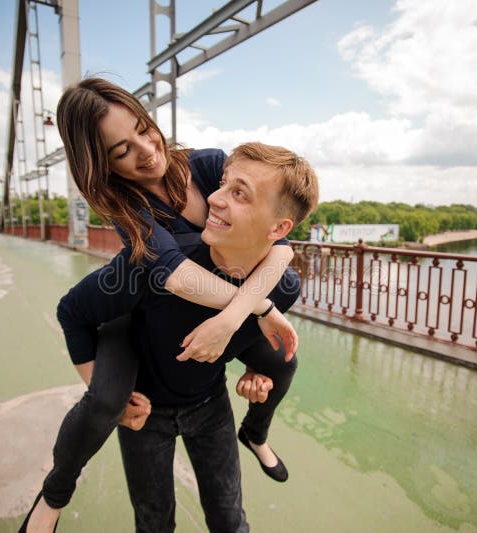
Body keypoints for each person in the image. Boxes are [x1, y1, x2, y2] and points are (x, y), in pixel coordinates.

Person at [21, 79, 302, 532]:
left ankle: (256, 432)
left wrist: (239, 327)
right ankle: (52, 499)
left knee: (284, 356)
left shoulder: (210, 167)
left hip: (205, 373)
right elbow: (170, 273)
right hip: (146, 332)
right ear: (103, 165)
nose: (148, 151)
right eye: (121, 151)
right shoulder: (130, 222)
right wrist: (258, 310)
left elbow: (282, 249)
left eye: (144, 129)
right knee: (110, 406)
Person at [64, 142, 318, 532]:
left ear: (279, 230)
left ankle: (256, 433)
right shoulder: (149, 267)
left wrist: (254, 371)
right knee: (154, 523)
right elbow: (74, 311)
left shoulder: (281, 286)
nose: (212, 200)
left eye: (239, 193)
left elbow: (248, 340)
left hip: (210, 405)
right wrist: (106, 396)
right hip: (145, 412)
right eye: (222, 185)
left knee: (230, 520)